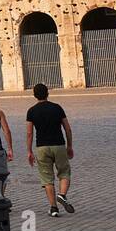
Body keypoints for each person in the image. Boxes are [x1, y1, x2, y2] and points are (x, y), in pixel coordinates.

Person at [25, 83, 75, 217]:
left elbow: (30, 133)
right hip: (58, 145)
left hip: (42, 147)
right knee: (64, 172)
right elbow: (67, 128)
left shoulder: (31, 111)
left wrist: (29, 151)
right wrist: (69, 146)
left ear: (34, 95)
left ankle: (53, 208)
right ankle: (62, 194)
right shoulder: (57, 108)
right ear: (48, 93)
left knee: (47, 178)